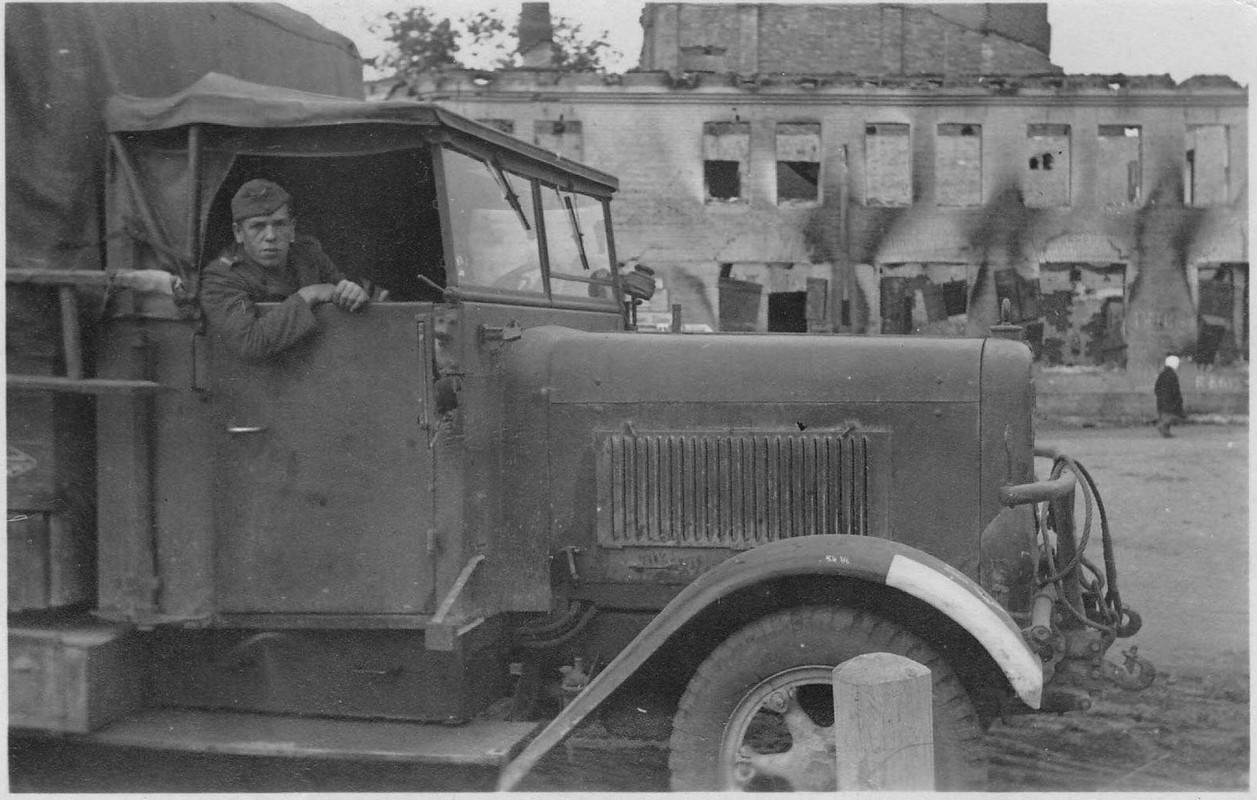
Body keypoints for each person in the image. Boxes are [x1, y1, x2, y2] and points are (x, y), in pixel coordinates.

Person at [200, 179, 369, 362]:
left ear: (292, 229)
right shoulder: (221, 276)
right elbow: (249, 344)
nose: (271, 236)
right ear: (238, 232)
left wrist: (353, 292)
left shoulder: (309, 256)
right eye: (258, 226)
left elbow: (342, 291)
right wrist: (309, 294)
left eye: (279, 224)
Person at [1154, 354, 1185, 437]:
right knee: (1169, 416)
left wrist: (1159, 395)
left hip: (1162, 399)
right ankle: (1162, 427)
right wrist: (1177, 398)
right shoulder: (1172, 375)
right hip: (1169, 400)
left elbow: (1157, 387)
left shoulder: (1163, 374)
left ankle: (1166, 432)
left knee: (1165, 415)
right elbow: (1175, 388)